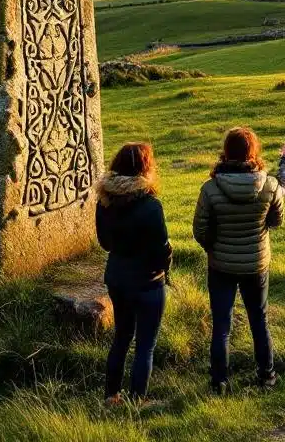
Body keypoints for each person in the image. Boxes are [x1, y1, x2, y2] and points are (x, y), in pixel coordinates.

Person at [192, 127, 285, 393]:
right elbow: (277, 219)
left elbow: (200, 230)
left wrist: (215, 249)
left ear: (226, 151)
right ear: (253, 152)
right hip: (256, 265)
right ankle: (267, 377)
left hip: (221, 267)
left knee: (222, 325)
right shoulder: (270, 186)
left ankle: (219, 383)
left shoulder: (210, 188)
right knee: (259, 321)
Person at [97, 142, 173, 404]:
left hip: (117, 278)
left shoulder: (104, 201)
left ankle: (111, 396)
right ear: (145, 168)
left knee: (121, 337)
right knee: (145, 345)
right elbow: (162, 249)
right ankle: (137, 400)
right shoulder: (151, 205)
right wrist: (165, 265)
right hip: (148, 282)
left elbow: (105, 243)